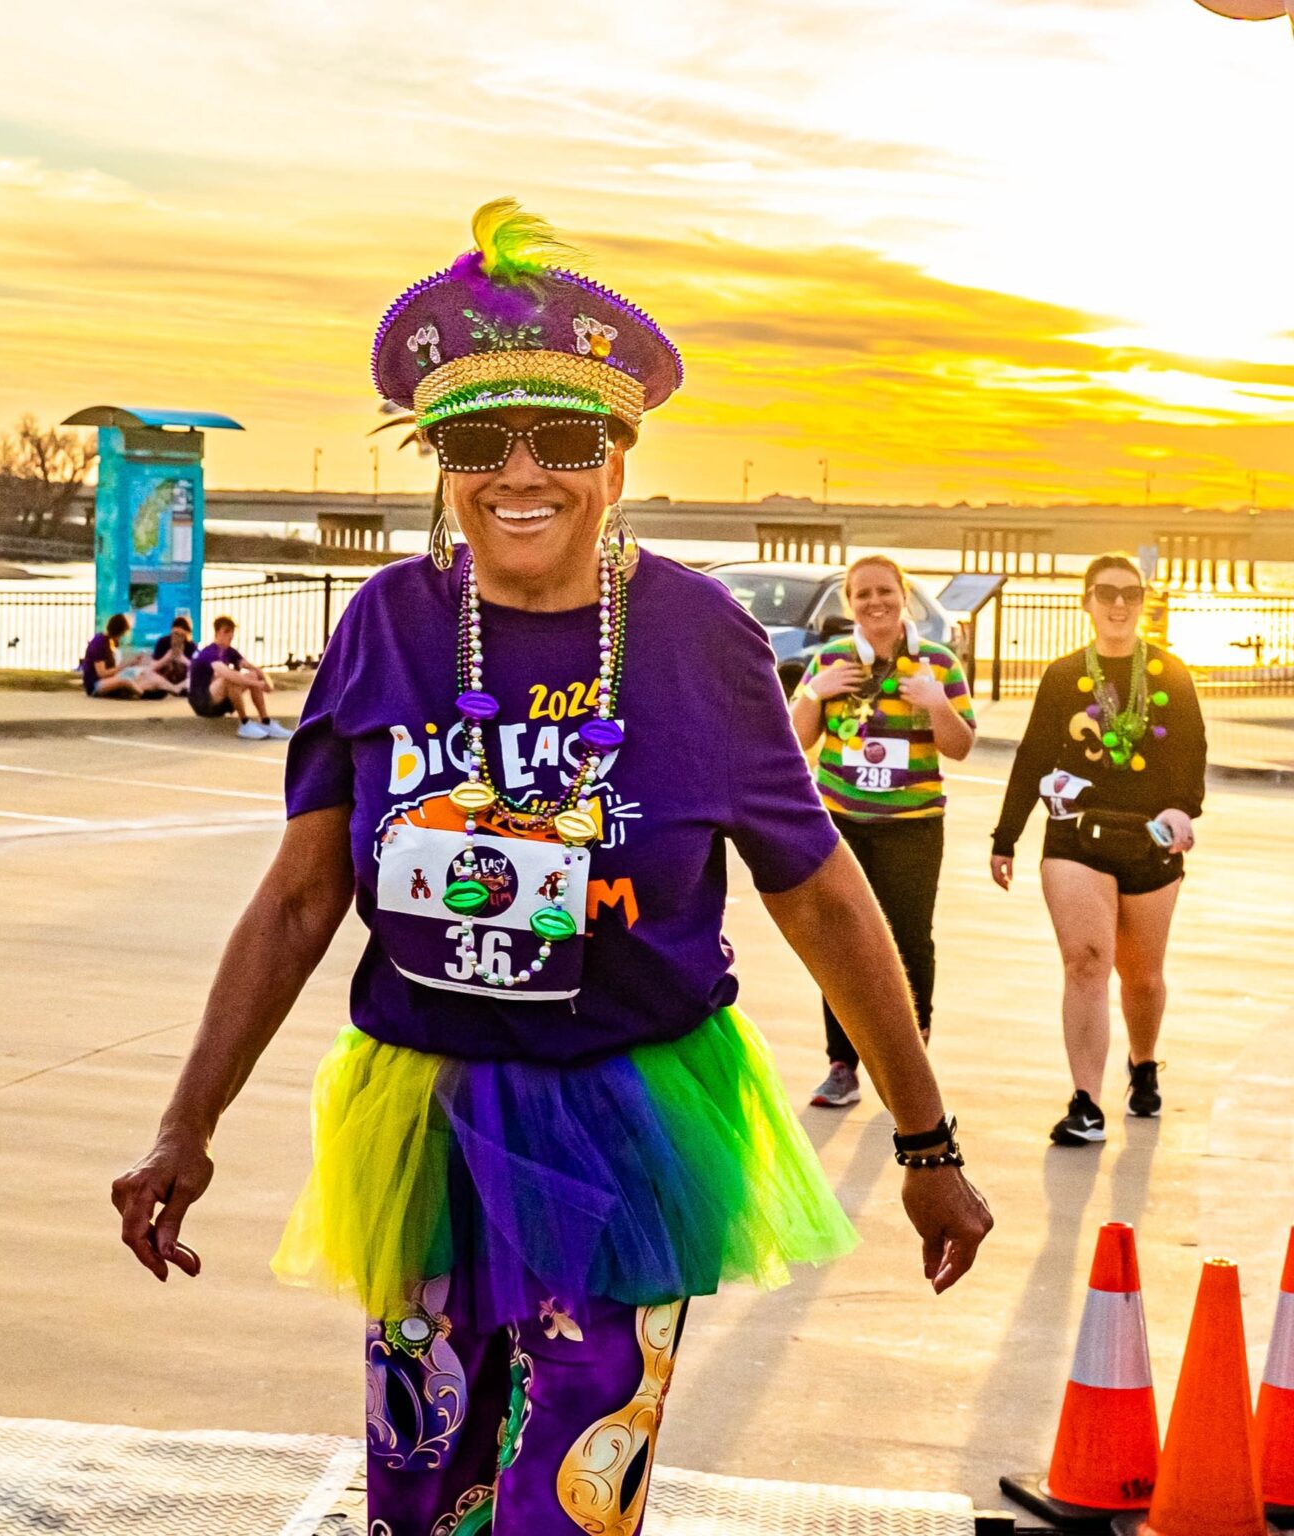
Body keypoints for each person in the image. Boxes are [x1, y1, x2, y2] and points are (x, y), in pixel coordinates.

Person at [112, 201, 991, 1536]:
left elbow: (817, 890)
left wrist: (924, 1138)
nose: (520, 473)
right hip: (425, 1121)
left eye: (565, 438)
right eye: (475, 439)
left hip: (631, 1128)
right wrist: (188, 1121)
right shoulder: (385, 627)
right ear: (441, 467)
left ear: (620, 462)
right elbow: (301, 898)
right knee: (419, 1495)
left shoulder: (704, 642)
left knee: (569, 1510)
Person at [990, 554, 1206, 1146]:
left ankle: (1143, 1063)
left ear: (1143, 602)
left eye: (1130, 594)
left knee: (1142, 975)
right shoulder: (1063, 676)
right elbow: (1033, 755)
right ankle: (1085, 1103)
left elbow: (1192, 754)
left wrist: (1183, 808)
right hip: (1075, 837)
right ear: (1086, 600)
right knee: (1086, 962)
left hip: (1150, 840)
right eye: (1106, 593)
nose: (1118, 604)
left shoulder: (1172, 673)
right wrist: (1006, 835)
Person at [789, 555, 976, 1109]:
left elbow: (960, 747)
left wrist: (936, 701)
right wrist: (812, 693)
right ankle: (842, 1064)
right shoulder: (832, 659)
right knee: (838, 940)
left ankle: (912, 1056)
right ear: (850, 604)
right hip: (841, 823)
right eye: (863, 594)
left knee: (911, 939)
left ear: (905, 596)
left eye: (885, 592)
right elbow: (796, 740)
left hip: (913, 825)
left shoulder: (937, 662)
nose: (875, 603)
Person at [188, 616, 291, 740]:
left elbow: (251, 668)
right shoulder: (209, 652)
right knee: (230, 679)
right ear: (220, 632)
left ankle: (266, 721)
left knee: (251, 675)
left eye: (231, 633)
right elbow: (227, 674)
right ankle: (244, 723)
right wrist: (257, 684)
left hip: (220, 701)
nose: (230, 636)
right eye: (228, 632)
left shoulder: (230, 651)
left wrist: (266, 681)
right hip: (203, 703)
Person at [81, 613, 178, 700]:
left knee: (141, 673)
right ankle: (143, 693)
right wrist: (124, 666)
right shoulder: (99, 643)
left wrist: (131, 664)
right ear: (119, 631)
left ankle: (161, 689)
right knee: (125, 681)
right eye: (123, 633)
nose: (122, 637)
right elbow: (101, 674)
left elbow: (113, 671)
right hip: (96, 685)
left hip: (107, 680)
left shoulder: (108, 642)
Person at [152, 615, 198, 689]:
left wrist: (183, 660)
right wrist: (167, 658)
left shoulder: (191, 646)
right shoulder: (163, 642)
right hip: (163, 679)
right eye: (176, 634)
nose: (178, 638)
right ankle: (172, 688)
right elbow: (152, 667)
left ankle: (176, 688)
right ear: (171, 631)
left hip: (183, 681)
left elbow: (198, 669)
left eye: (181, 635)